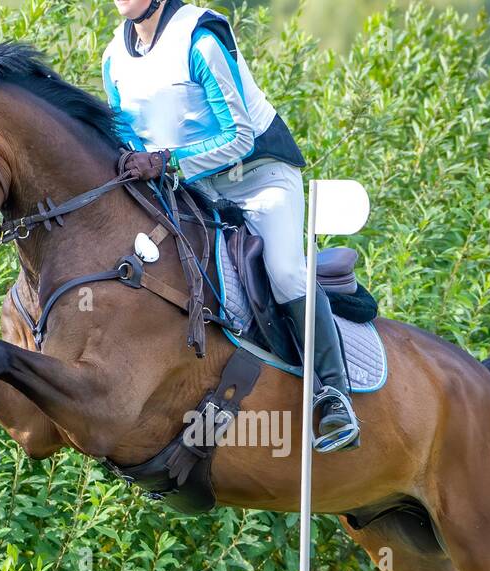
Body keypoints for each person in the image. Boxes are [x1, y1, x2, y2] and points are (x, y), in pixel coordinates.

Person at [103, 0, 360, 452]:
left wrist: (165, 160)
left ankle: (334, 393)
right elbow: (126, 137)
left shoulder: (199, 39)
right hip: (194, 190)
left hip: (259, 179)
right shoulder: (113, 60)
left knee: (283, 271)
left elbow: (240, 135)